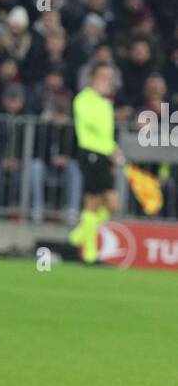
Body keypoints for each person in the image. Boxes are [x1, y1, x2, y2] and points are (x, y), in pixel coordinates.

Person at [69, 61, 123, 263]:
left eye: (109, 78)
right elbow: (91, 126)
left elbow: (107, 134)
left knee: (108, 204)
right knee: (95, 201)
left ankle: (78, 236)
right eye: (103, 77)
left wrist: (115, 151)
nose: (107, 82)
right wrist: (110, 150)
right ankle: (89, 253)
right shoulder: (83, 99)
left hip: (104, 154)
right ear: (92, 78)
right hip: (90, 153)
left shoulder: (105, 103)